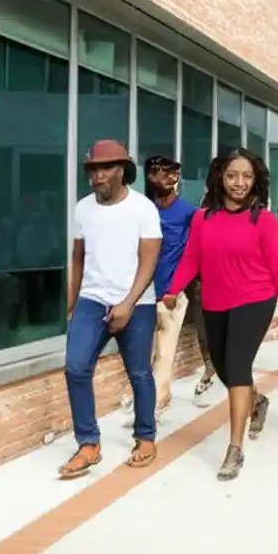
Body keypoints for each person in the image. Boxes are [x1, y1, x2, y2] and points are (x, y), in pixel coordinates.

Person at [163, 148, 278, 480]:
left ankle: (234, 449)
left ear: (256, 181)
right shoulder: (202, 218)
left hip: (255, 300)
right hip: (214, 301)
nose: (239, 183)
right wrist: (173, 289)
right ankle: (256, 400)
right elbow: (192, 258)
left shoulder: (264, 221)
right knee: (222, 367)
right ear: (220, 178)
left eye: (247, 176)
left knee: (237, 366)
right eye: (232, 175)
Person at [58, 140, 162, 479]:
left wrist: (127, 304)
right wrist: (71, 307)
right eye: (92, 169)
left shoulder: (143, 208)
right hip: (92, 299)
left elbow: (149, 262)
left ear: (122, 171)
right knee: (75, 368)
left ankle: (145, 437)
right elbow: (77, 259)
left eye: (104, 168)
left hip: (137, 302)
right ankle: (88, 444)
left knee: (140, 374)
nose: (97, 175)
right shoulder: (83, 208)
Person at [119, 155, 209, 424]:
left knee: (165, 355)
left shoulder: (187, 213)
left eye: (171, 173)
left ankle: (157, 403)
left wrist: (180, 288)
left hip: (171, 296)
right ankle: (145, 400)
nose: (166, 178)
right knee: (141, 354)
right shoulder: (142, 210)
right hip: (141, 295)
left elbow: (198, 251)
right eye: (159, 173)